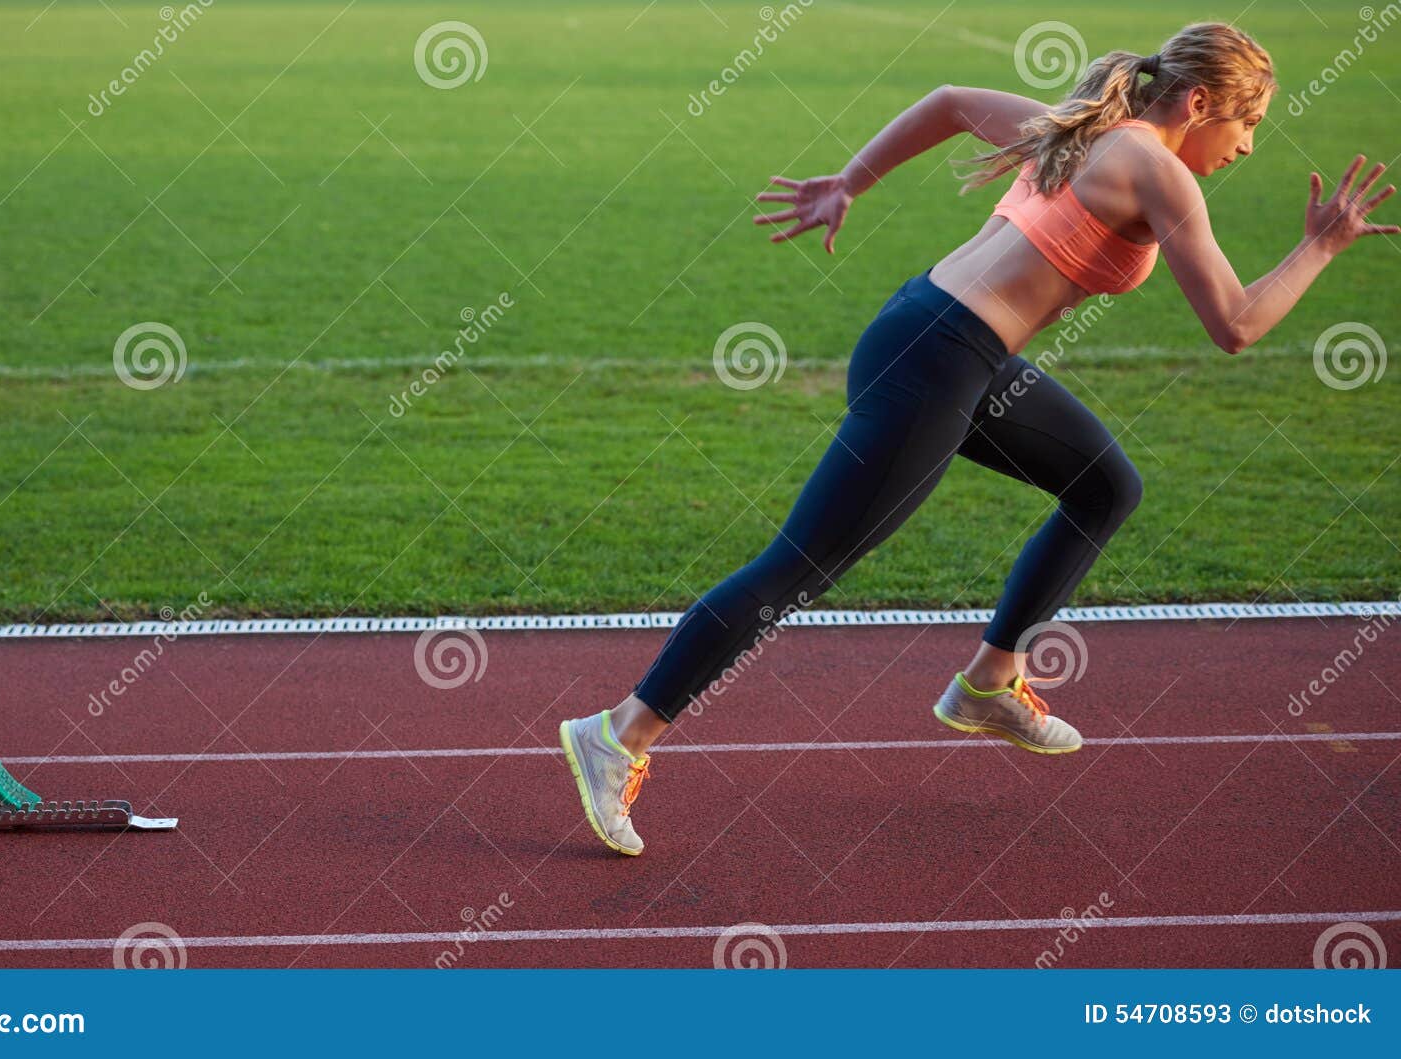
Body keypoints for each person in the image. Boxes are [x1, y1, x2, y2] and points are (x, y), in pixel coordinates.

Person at [558, 21, 1396, 856]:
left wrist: (851, 180)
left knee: (1106, 486)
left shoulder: (1087, 128)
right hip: (939, 362)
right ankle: (620, 731)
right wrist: (1321, 246)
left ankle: (989, 682)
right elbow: (1237, 324)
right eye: (1247, 123)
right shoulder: (1160, 174)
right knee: (799, 566)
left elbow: (953, 102)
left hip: (937, 336)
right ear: (1201, 101)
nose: (1248, 146)